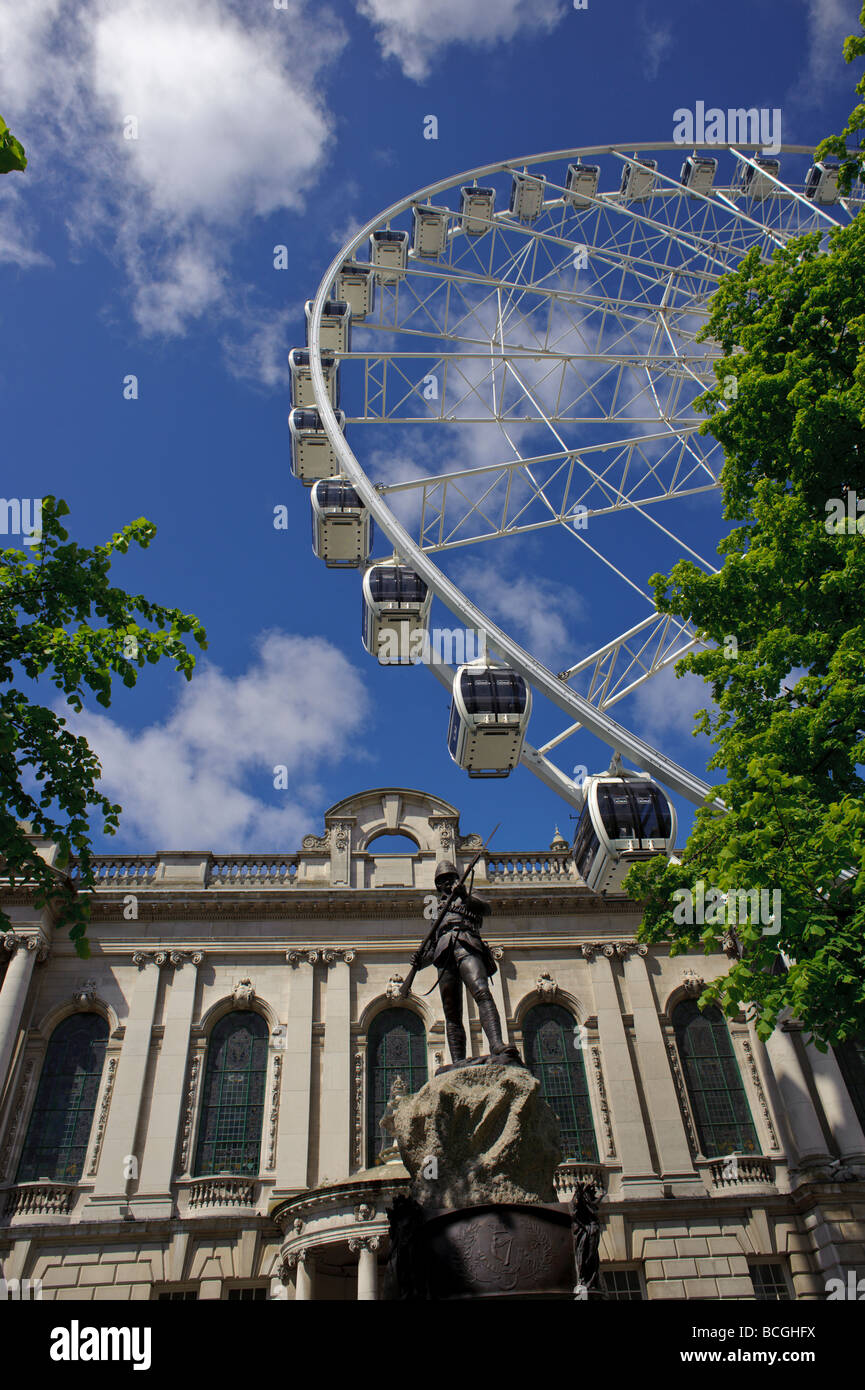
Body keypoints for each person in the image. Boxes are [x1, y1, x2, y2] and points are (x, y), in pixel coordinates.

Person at [410, 859, 520, 1066]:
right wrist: (420, 962)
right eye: (442, 881)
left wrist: (464, 895)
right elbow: (432, 946)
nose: (447, 883)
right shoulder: (436, 909)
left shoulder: (469, 894)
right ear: (437, 885)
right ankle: (458, 1060)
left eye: (450, 878)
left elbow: (485, 909)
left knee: (481, 991)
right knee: (451, 1011)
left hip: (466, 944)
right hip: (444, 955)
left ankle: (496, 1044)